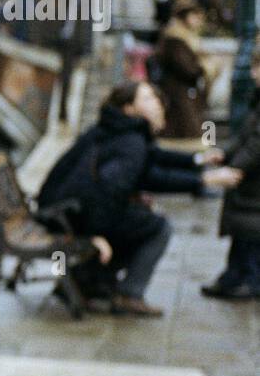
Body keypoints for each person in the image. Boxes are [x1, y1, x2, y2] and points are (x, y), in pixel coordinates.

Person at [38, 81, 240, 316]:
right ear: (129, 108)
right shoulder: (130, 142)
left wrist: (197, 162)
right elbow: (109, 189)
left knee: (139, 220)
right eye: (147, 99)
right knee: (157, 227)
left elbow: (152, 161)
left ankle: (86, 280)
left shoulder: (122, 130)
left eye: (155, 97)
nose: (157, 103)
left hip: (62, 207)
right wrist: (94, 236)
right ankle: (128, 294)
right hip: (68, 214)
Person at [203, 51, 260, 299]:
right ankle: (233, 275)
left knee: (251, 232)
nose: (253, 74)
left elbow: (257, 144)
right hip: (249, 181)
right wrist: (223, 154)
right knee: (242, 231)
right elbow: (245, 136)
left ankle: (250, 279)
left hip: (254, 181)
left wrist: (237, 166)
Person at [154, 1, 219, 139]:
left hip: (184, 92)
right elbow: (186, 67)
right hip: (178, 93)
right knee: (186, 131)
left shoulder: (189, 38)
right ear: (185, 17)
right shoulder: (175, 39)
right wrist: (204, 67)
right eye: (195, 16)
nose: (199, 21)